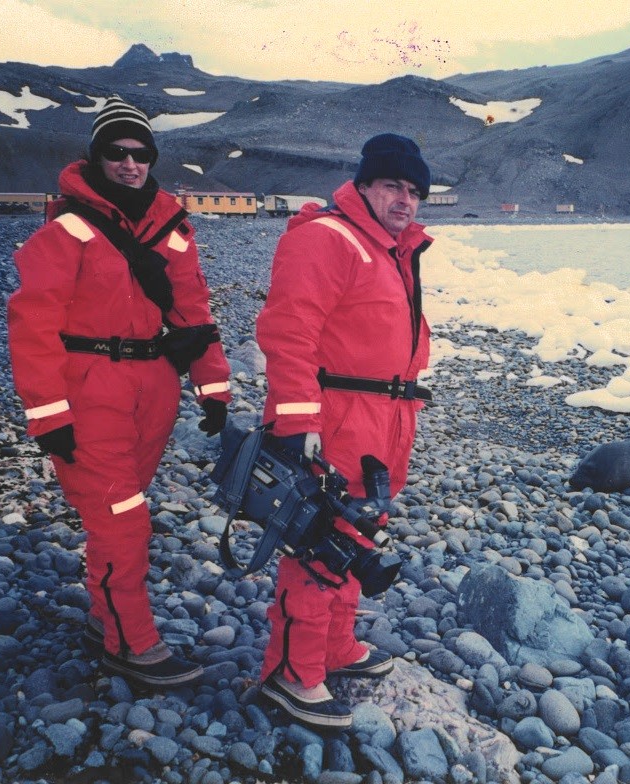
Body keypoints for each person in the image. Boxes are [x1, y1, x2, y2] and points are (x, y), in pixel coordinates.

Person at [7, 96, 232, 688]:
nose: (130, 164)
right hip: (89, 390)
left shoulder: (172, 227)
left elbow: (193, 310)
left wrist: (213, 386)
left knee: (121, 511)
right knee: (122, 520)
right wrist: (46, 412)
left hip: (154, 388)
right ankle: (131, 645)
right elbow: (32, 324)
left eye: (141, 154)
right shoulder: (68, 230)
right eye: (117, 153)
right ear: (97, 157)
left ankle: (108, 616)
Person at [255, 133, 434, 727]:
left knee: (358, 533)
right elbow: (289, 331)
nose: (404, 200)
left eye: (414, 191)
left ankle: (332, 647)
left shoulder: (390, 249)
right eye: (392, 186)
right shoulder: (328, 238)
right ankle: (291, 671)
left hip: (383, 419)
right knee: (318, 541)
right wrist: (296, 419)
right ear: (363, 186)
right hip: (336, 419)